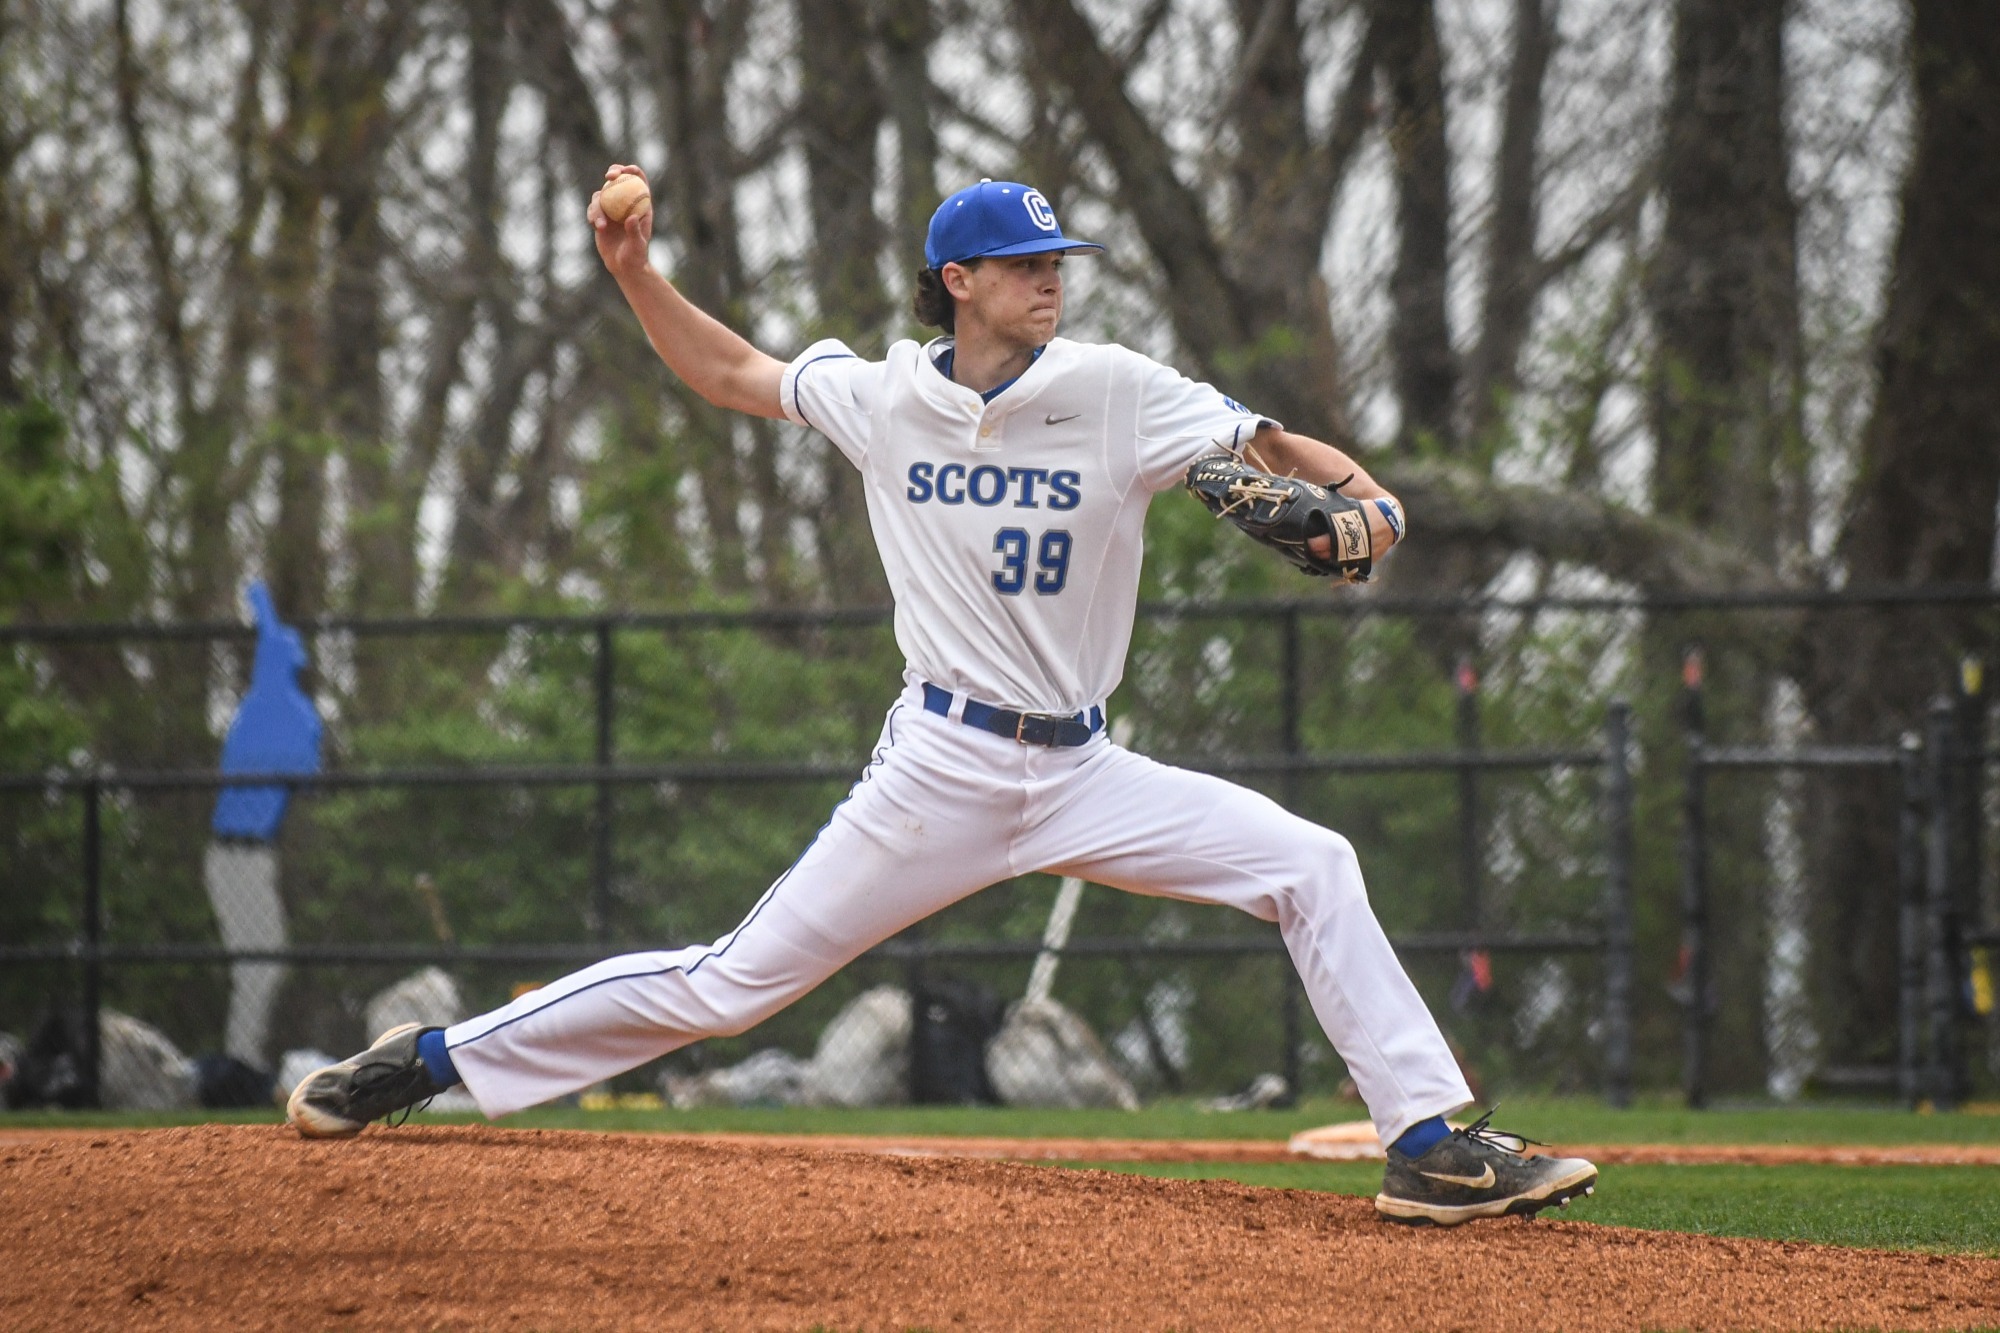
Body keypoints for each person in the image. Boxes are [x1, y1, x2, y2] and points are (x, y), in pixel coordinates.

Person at [288, 170, 1597, 1226]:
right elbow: (735, 375)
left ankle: (1426, 1144)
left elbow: (1260, 444)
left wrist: (1363, 494)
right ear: (958, 281)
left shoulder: (1116, 391)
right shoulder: (884, 396)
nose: (1051, 282)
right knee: (730, 984)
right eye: (1027, 265)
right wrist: (639, 276)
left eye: (1058, 264)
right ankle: (433, 1060)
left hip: (1086, 771)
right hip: (939, 769)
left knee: (1312, 861)